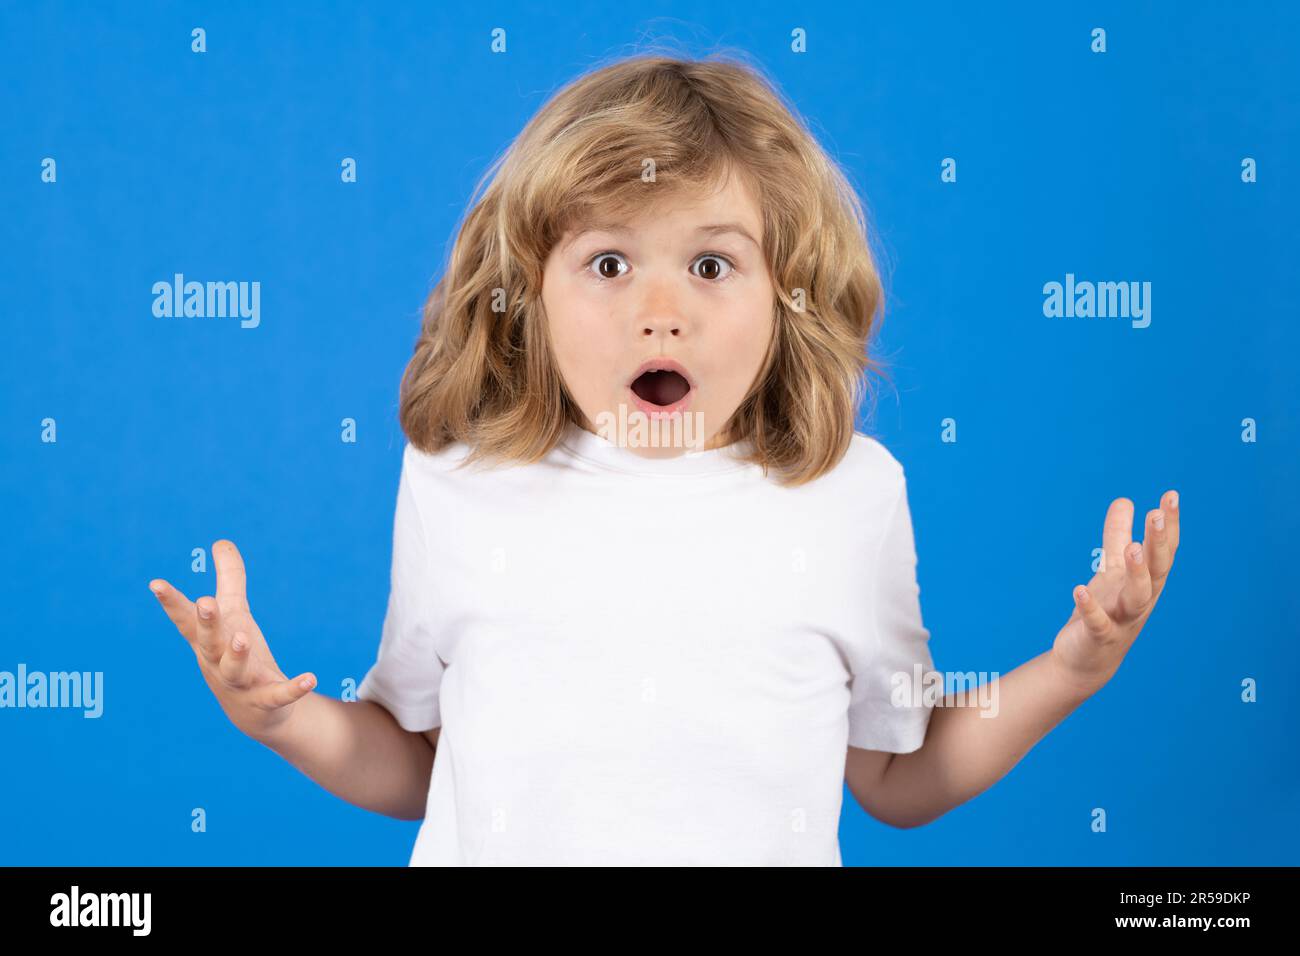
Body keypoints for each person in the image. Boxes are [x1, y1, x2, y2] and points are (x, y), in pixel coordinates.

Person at [148, 52, 1181, 866]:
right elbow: (419, 757)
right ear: (529, 293)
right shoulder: (459, 479)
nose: (659, 312)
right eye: (607, 262)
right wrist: (279, 721)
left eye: (711, 262)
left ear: (786, 295)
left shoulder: (849, 494)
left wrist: (1070, 669)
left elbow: (892, 776)